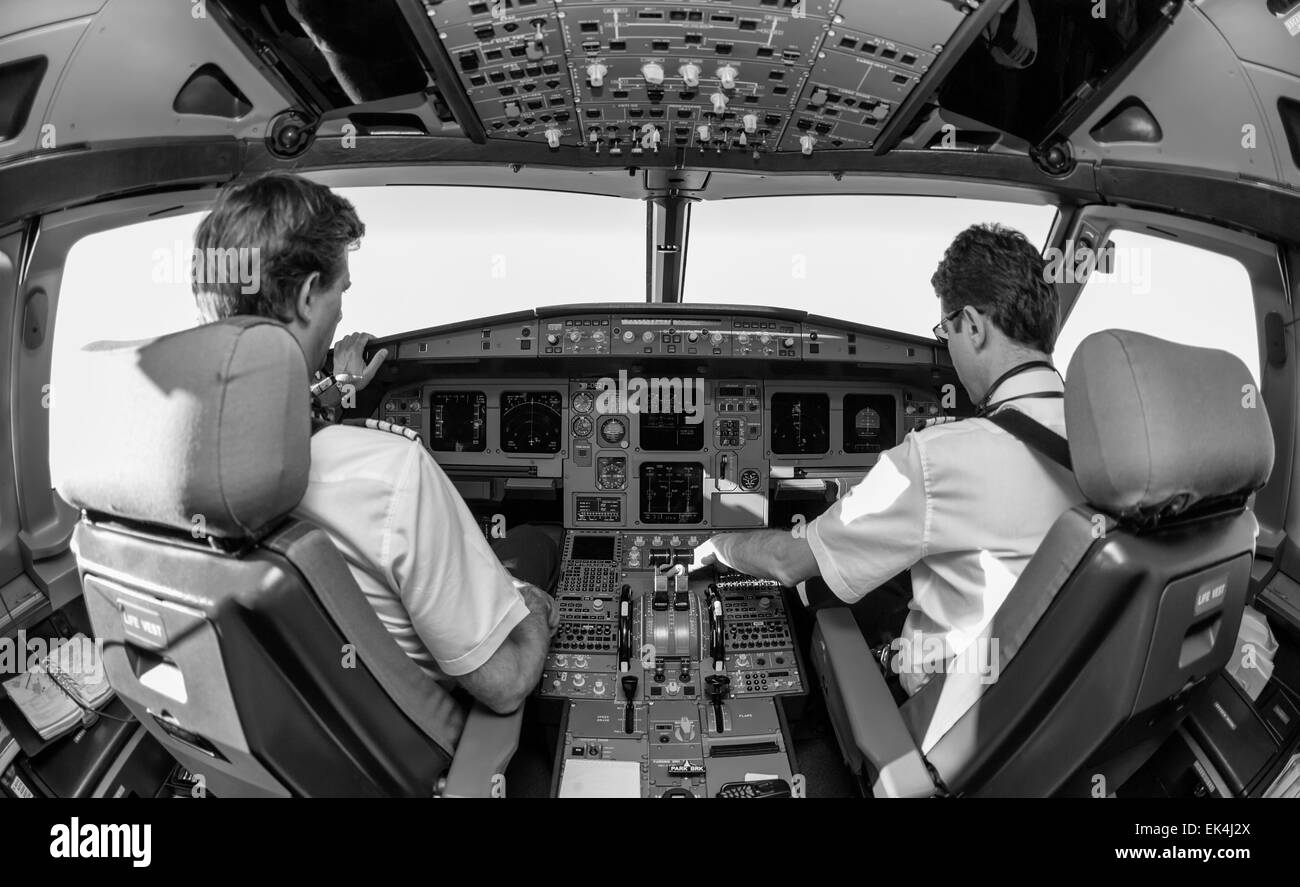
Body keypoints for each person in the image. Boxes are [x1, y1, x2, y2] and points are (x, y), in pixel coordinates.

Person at [191, 171, 557, 714]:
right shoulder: (391, 475)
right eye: (340, 285)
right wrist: (535, 613)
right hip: (429, 731)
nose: (345, 300)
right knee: (535, 542)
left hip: (298, 717)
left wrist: (337, 393)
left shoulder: (177, 458)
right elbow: (505, 686)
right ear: (310, 294)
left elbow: (289, 423)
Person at [688, 223, 1081, 694]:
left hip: (948, 713)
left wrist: (718, 545)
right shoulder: (1107, 442)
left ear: (973, 326)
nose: (947, 346)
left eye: (946, 330)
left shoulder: (936, 458)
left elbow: (789, 562)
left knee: (814, 591)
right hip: (1052, 690)